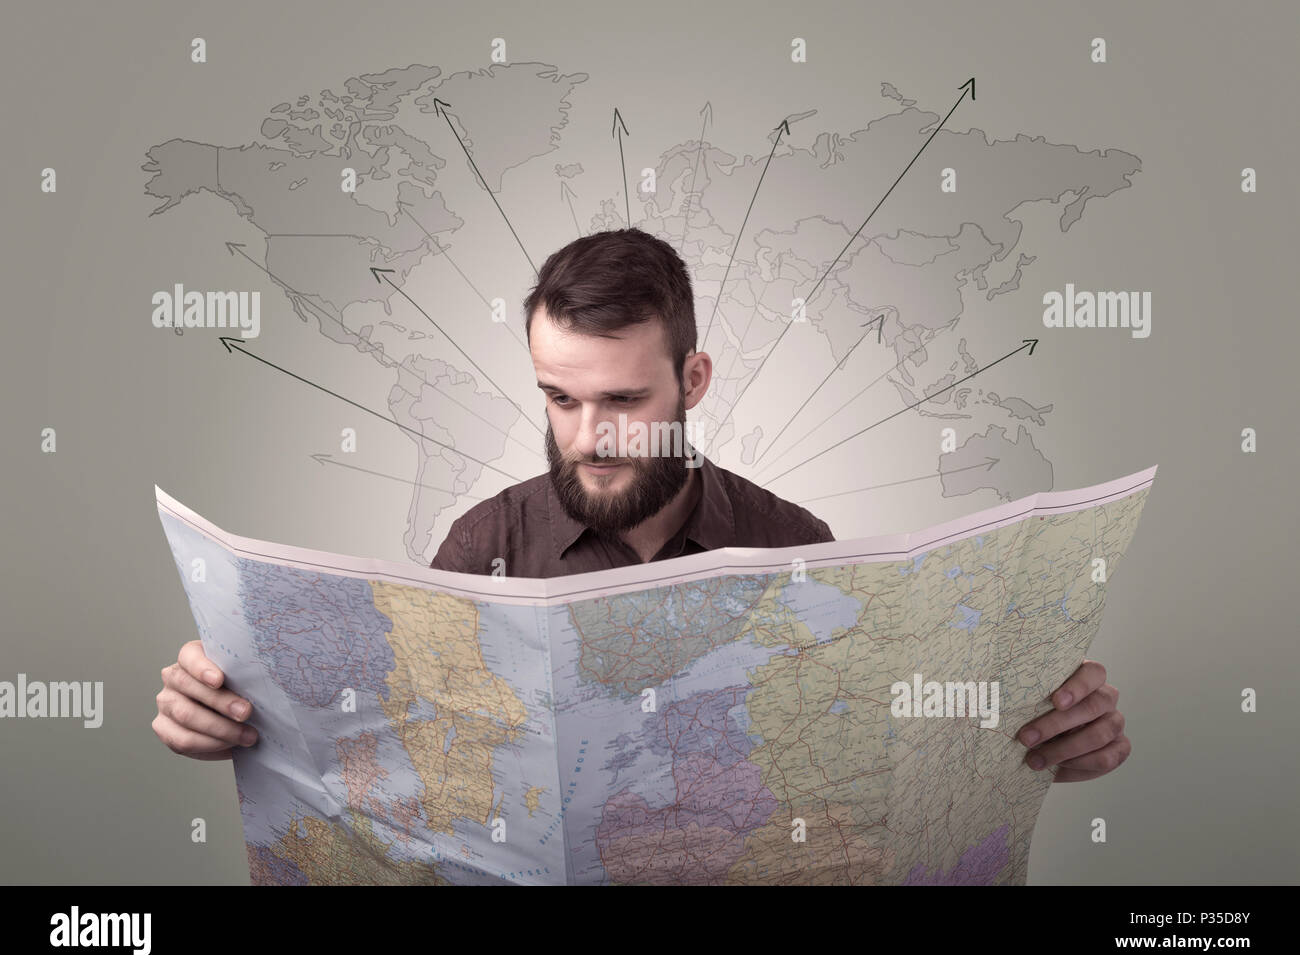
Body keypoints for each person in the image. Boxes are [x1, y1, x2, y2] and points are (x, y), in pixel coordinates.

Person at [153, 228, 1130, 784]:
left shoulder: (796, 546)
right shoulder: (482, 544)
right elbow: (397, 751)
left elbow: (878, 759)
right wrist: (237, 709)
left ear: (692, 379)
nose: (588, 435)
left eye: (624, 399)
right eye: (559, 397)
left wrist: (1038, 728)